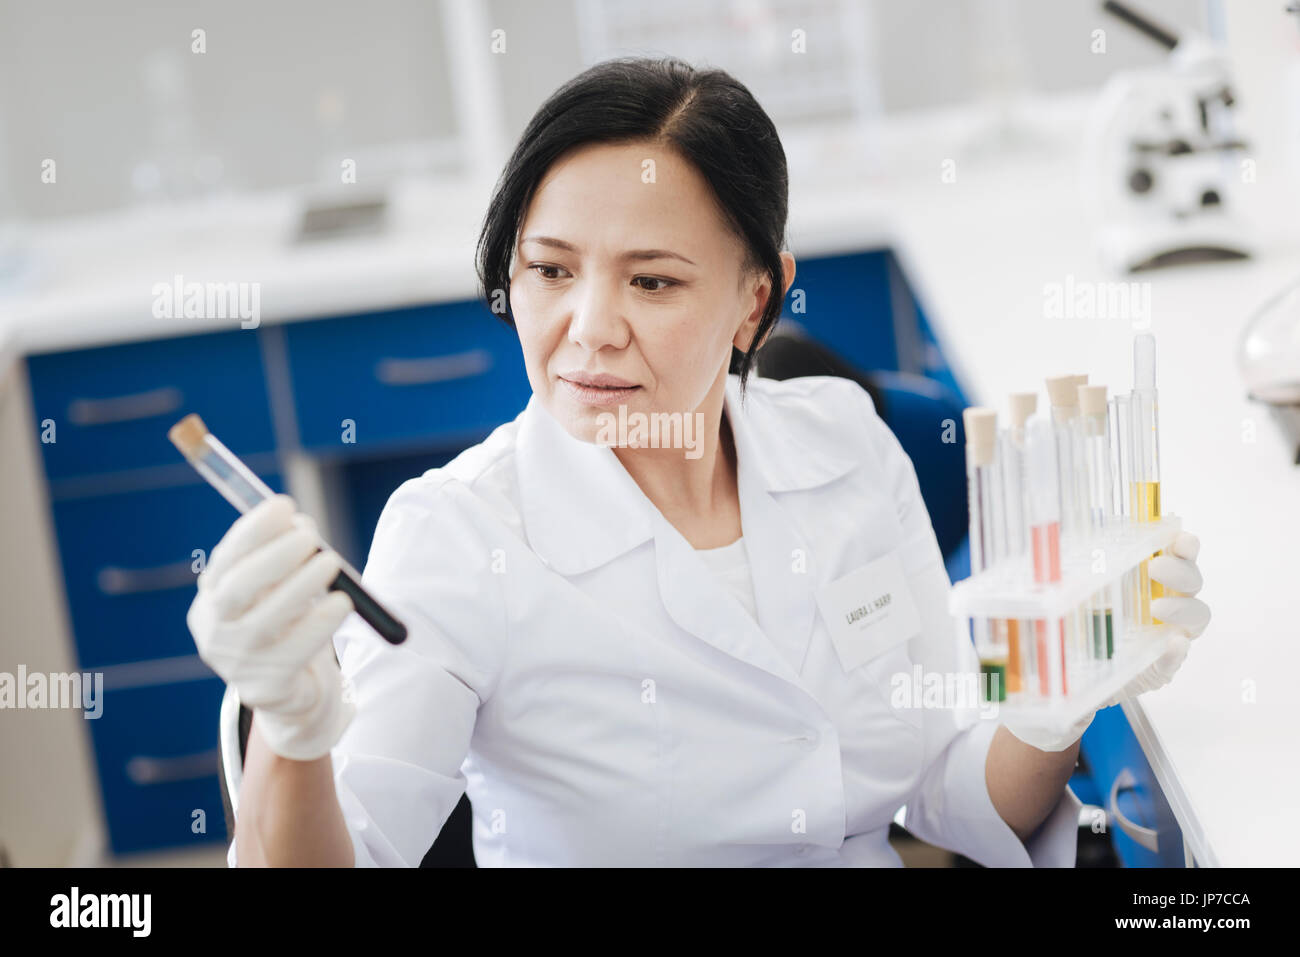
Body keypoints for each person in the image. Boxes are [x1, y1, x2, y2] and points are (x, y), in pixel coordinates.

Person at [188, 56, 1210, 867]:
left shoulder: (842, 445)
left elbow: (941, 783)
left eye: (654, 283)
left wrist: (1057, 704)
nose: (587, 330)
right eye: (549, 270)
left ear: (755, 300)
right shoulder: (458, 537)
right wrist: (292, 725)